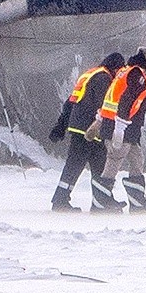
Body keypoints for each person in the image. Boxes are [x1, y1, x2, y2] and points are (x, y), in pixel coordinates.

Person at [87, 47, 146, 213]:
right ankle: (101, 202)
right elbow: (126, 100)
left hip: (124, 126)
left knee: (137, 158)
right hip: (120, 125)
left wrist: (98, 121)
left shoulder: (129, 72)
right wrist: (119, 128)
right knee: (114, 159)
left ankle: (137, 201)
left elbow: (110, 97)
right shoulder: (138, 75)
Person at [48, 52, 124, 212]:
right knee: (75, 165)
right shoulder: (104, 79)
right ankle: (60, 201)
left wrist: (61, 125)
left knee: (98, 166)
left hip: (81, 126)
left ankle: (102, 200)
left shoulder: (90, 74)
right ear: (115, 67)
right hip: (90, 128)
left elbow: (70, 101)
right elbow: (105, 107)